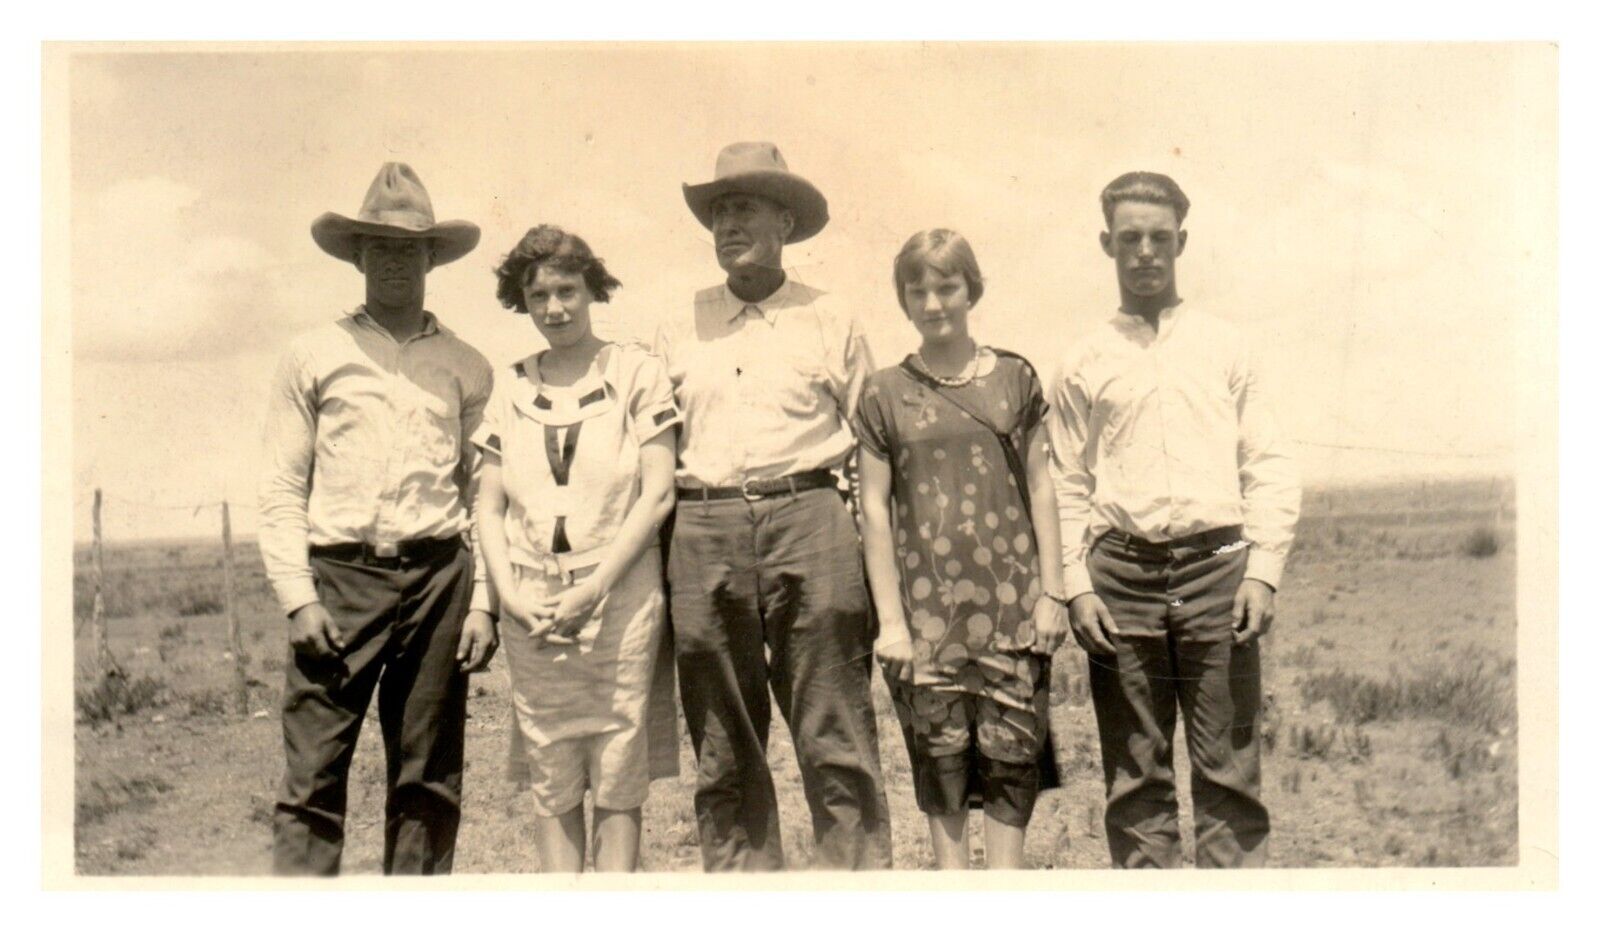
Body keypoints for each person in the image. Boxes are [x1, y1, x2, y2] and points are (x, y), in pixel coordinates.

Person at [1046, 172, 1301, 868]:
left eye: (1160, 238)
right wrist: (1077, 585)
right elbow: (1065, 481)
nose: (1146, 252)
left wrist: (1265, 573)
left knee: (1228, 775)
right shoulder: (1082, 357)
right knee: (1136, 780)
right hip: (1121, 578)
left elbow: (1269, 462)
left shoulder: (1227, 346)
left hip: (1218, 573)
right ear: (1107, 245)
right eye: (1130, 238)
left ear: (1181, 242)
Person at [654, 141, 893, 871]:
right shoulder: (676, 321)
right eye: (720, 210)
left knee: (835, 731)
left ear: (785, 221)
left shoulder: (833, 317)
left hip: (811, 516)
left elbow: (874, 441)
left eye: (747, 207)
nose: (729, 224)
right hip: (703, 524)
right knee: (724, 743)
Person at [258, 162, 499, 875]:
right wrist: (298, 597)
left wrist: (483, 601)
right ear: (357, 255)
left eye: (409, 247)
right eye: (379, 247)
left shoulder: (466, 365)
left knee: (427, 778)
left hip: (437, 582)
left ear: (432, 256)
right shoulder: (313, 354)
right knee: (312, 779)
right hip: (338, 579)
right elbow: (279, 486)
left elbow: (485, 492)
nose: (395, 261)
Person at [855, 230, 1069, 869]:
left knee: (1011, 760)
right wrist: (891, 622)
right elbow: (871, 508)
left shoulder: (1013, 378)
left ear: (971, 288)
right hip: (926, 618)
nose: (932, 302)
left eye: (946, 286)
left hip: (1015, 609)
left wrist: (1053, 594)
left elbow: (1041, 486)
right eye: (916, 289)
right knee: (941, 762)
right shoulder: (883, 393)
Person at [474, 225, 680, 873]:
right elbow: (488, 503)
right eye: (539, 295)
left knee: (619, 761)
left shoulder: (634, 372)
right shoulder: (509, 386)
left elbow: (658, 494)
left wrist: (593, 589)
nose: (555, 308)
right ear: (522, 300)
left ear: (593, 289)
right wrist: (509, 596)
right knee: (552, 763)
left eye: (567, 290)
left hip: (619, 601)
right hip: (532, 606)